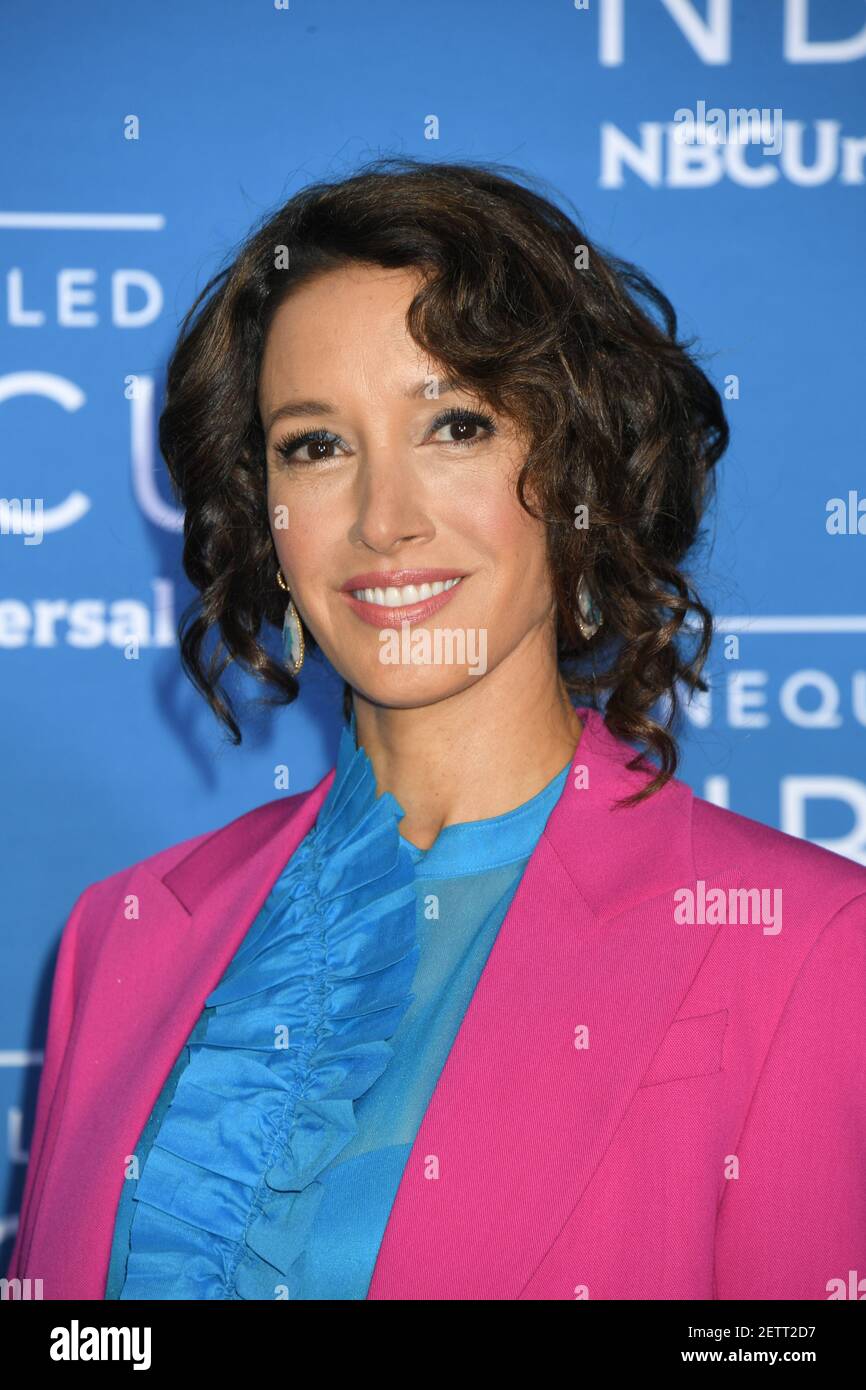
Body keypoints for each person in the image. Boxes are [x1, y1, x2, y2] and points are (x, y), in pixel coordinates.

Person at [7, 158, 866, 1301]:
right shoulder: (123, 936)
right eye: (315, 445)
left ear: (577, 474)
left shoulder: (795, 949)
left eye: (453, 425)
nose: (382, 520)